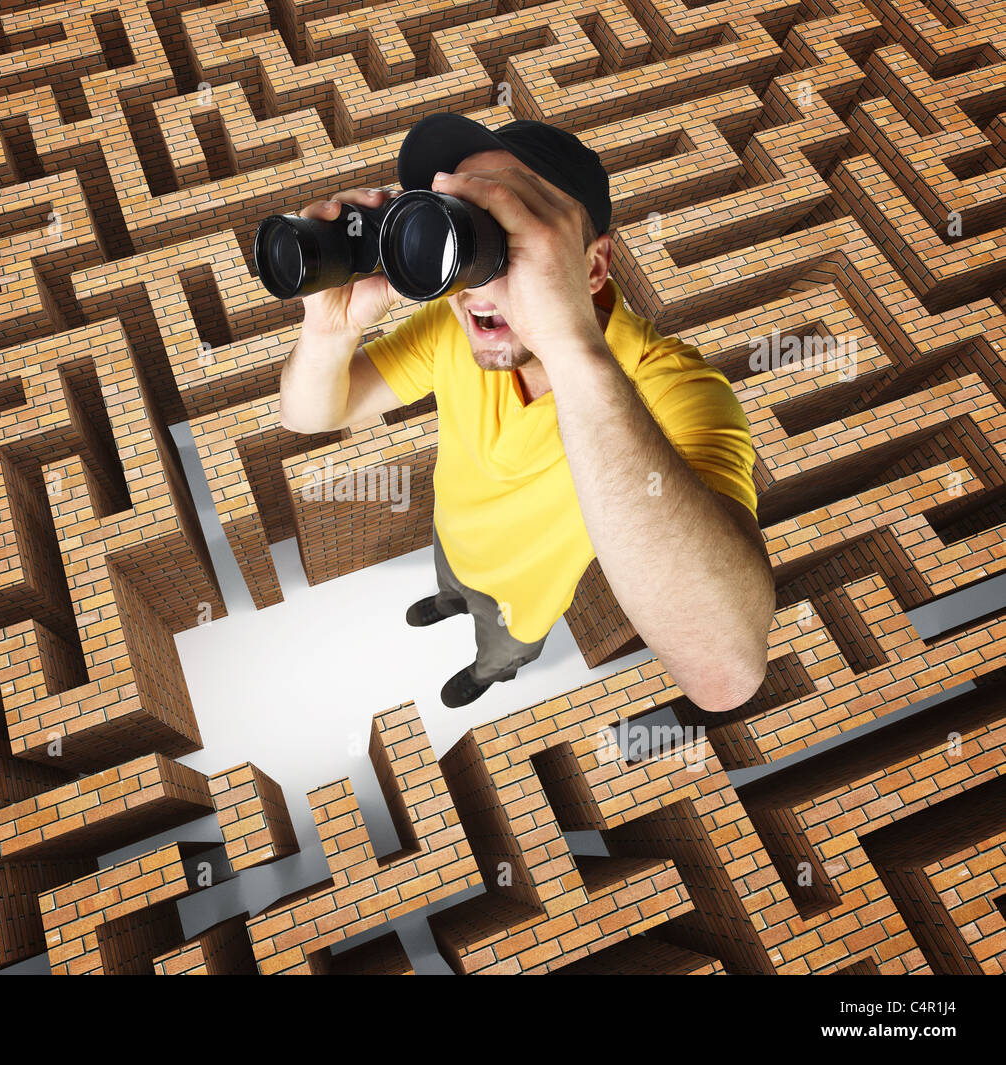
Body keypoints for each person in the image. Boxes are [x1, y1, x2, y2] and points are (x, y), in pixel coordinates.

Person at [279, 112, 775, 710]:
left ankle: (490, 673)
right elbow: (310, 415)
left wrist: (568, 344)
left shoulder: (677, 390)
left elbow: (724, 677)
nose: (472, 284)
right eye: (463, 234)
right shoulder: (450, 325)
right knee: (451, 584)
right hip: (451, 537)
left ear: (591, 266)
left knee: (501, 648)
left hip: (524, 598)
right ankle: (447, 599)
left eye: (508, 238)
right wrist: (330, 328)